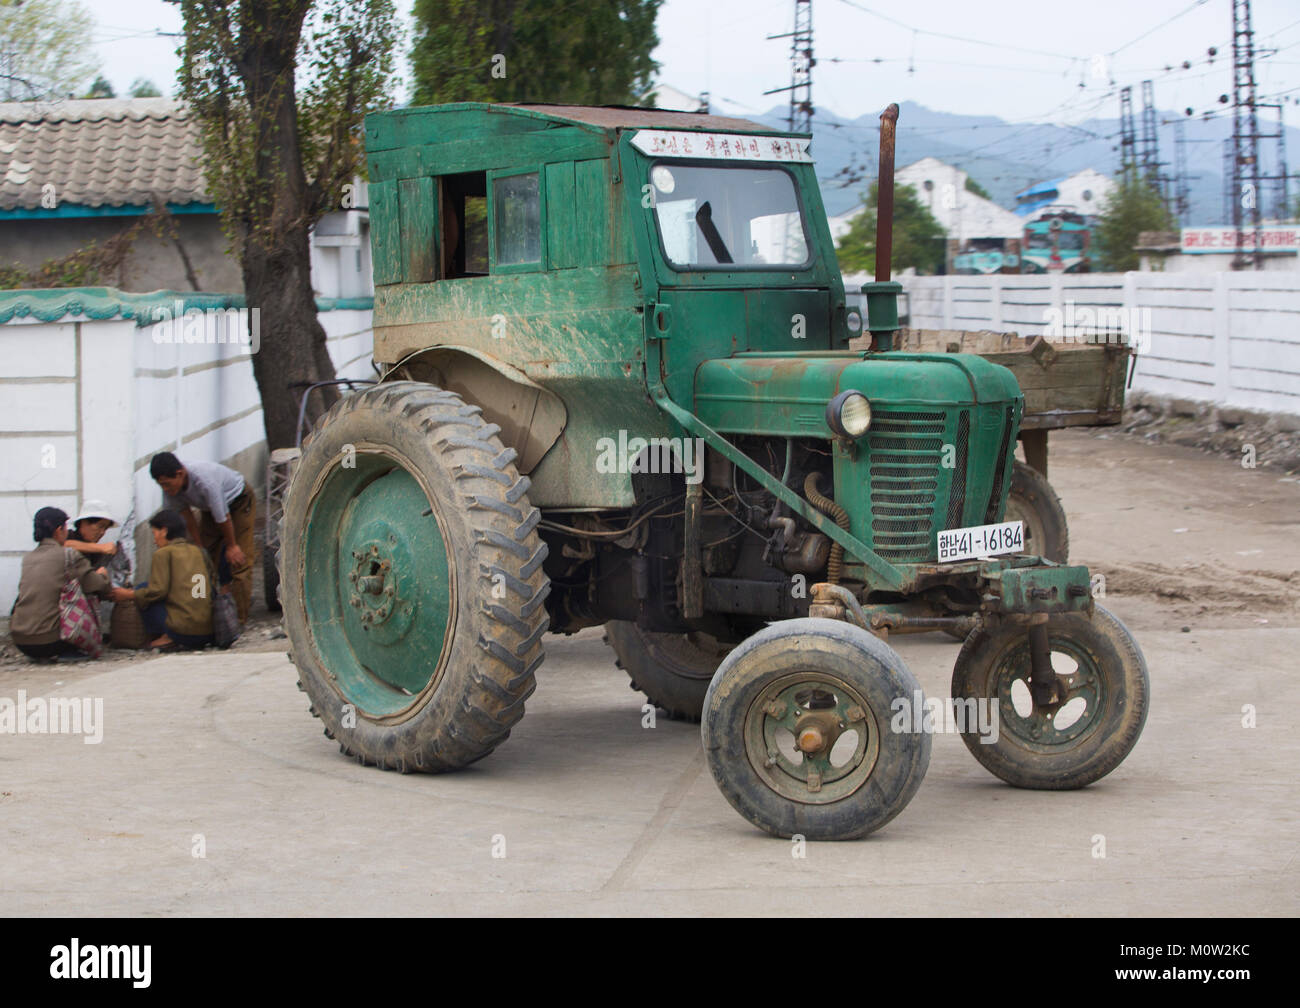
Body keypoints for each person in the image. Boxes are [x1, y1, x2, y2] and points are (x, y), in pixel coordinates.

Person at [149, 451, 255, 623]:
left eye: (168, 484)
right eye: (161, 485)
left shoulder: (205, 480)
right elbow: (186, 516)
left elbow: (223, 517)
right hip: (209, 509)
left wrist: (232, 546)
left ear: (180, 474)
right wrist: (200, 547)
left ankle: (238, 618)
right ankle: (208, 613)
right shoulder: (171, 490)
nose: (166, 489)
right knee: (203, 560)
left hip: (237, 500)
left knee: (239, 560)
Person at [9, 507, 109, 661]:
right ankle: (71, 648)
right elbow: (95, 585)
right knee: (86, 593)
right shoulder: (68, 554)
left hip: (22, 642)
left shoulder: (28, 558)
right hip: (52, 641)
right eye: (65, 528)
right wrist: (103, 575)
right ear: (58, 530)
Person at [110, 509, 215, 651]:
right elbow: (212, 586)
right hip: (207, 631)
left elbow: (157, 591)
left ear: (164, 531)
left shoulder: (163, 553)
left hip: (182, 632)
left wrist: (128, 595)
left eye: (154, 534)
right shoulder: (200, 552)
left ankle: (168, 636)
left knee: (143, 587)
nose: (154, 541)